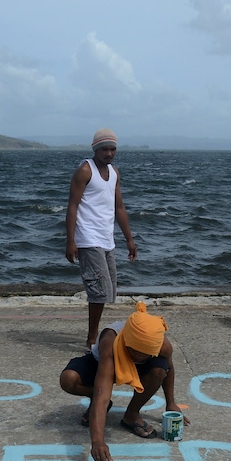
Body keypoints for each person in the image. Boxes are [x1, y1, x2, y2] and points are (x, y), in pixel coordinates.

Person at [59, 301, 189, 461]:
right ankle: (94, 405)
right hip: (101, 364)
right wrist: (98, 441)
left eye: (145, 355)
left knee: (159, 370)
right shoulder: (110, 344)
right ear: (127, 341)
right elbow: (102, 396)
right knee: (69, 379)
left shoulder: (161, 344)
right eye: (135, 352)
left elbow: (169, 369)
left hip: (140, 371)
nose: (139, 358)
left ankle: (131, 414)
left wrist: (171, 403)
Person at [65, 128, 137, 348]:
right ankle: (91, 339)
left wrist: (129, 239)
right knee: (98, 290)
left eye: (112, 149)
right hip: (88, 238)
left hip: (107, 239)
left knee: (106, 291)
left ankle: (93, 335)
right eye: (104, 149)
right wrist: (71, 241)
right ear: (95, 149)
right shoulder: (85, 171)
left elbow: (119, 207)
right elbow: (72, 205)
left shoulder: (114, 172)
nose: (109, 153)